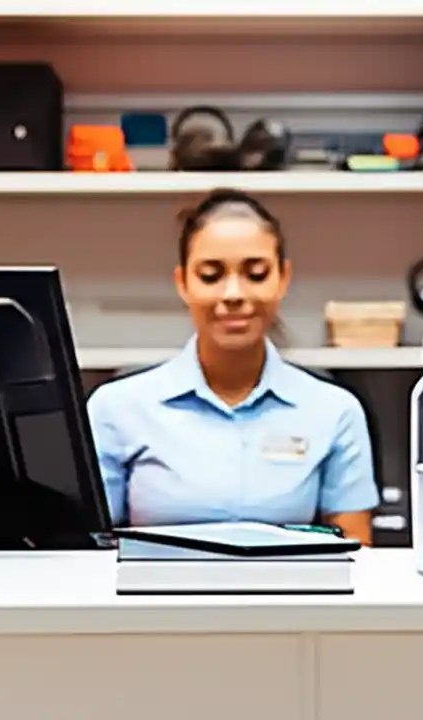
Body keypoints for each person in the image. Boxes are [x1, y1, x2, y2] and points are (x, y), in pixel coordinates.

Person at [85, 188, 380, 544]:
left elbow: (357, 557)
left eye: (256, 274)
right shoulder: (115, 408)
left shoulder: (335, 411)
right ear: (183, 283)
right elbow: (88, 555)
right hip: (157, 597)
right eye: (211, 275)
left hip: (292, 595)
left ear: (283, 278)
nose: (233, 294)